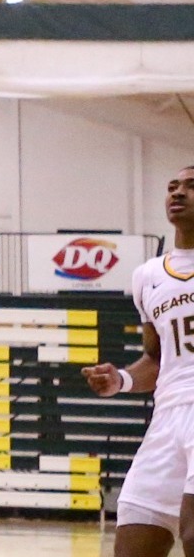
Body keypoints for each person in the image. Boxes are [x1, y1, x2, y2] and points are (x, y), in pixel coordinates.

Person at [84, 165, 194, 557]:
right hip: (167, 417)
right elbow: (155, 357)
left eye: (191, 186)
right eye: (172, 186)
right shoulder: (147, 275)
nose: (178, 193)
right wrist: (121, 381)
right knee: (134, 539)